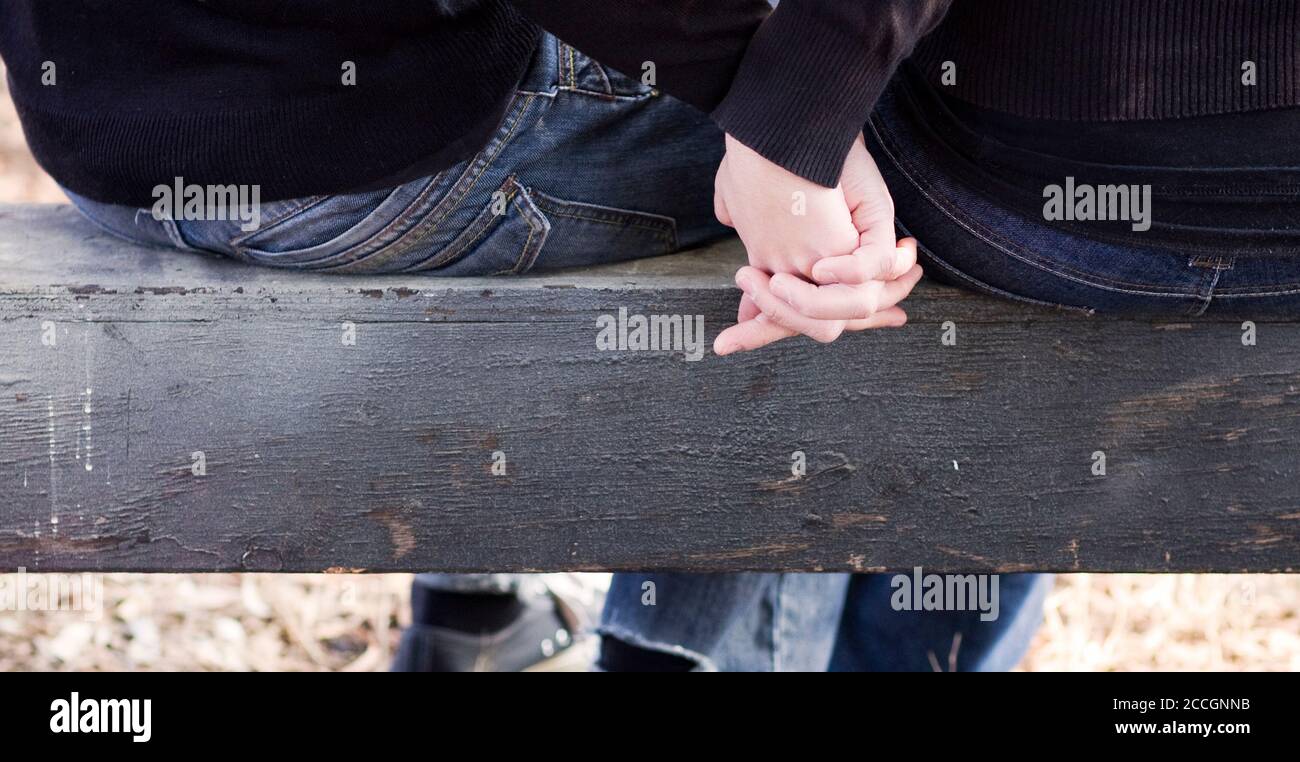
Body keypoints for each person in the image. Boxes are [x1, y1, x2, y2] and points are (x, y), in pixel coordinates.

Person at [6, 0, 1293, 670]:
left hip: (118, 119)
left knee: (837, 113)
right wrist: (789, 112)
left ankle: (488, 605)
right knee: (850, 139)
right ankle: (707, 657)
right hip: (366, 147)